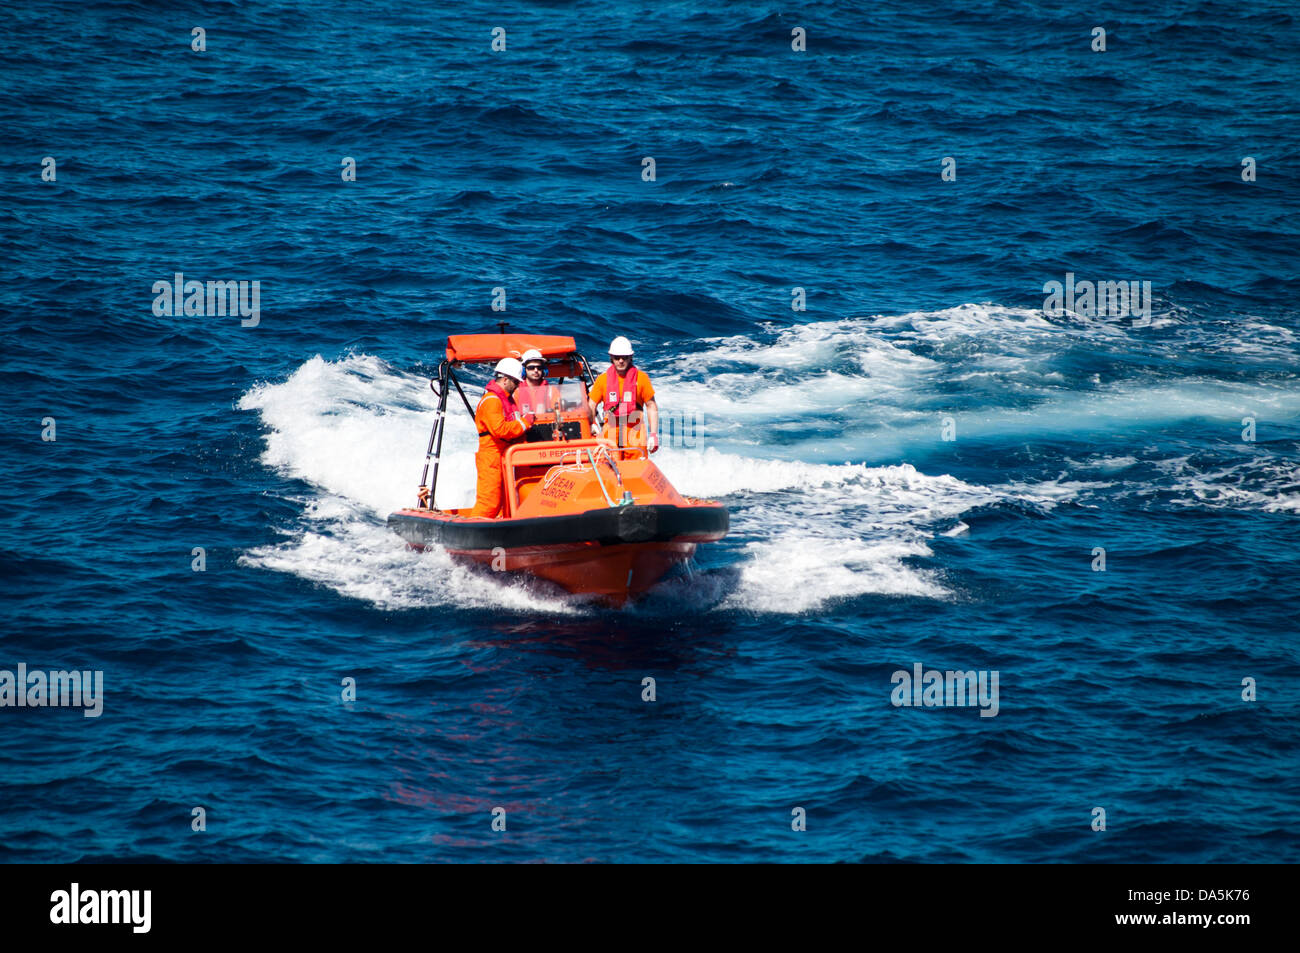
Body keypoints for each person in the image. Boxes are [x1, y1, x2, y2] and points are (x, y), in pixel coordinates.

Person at [469, 358, 534, 518]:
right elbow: (500, 429)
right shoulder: (492, 401)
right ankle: (471, 533)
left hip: (504, 456)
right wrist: (526, 422)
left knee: (505, 502)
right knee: (489, 503)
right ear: (505, 380)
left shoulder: (505, 399)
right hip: (491, 456)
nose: (518, 385)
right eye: (515, 382)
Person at [587, 336, 659, 452]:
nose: (621, 361)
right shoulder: (602, 380)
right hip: (609, 438)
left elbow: (652, 407)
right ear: (611, 357)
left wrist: (654, 435)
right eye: (617, 357)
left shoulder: (642, 379)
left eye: (624, 357)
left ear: (630, 357)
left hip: (635, 437)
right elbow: (591, 405)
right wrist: (592, 423)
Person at [513, 349, 560, 417]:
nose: (536, 370)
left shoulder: (552, 391)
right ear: (524, 370)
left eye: (539, 367)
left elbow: (558, 414)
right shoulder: (516, 392)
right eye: (531, 367)